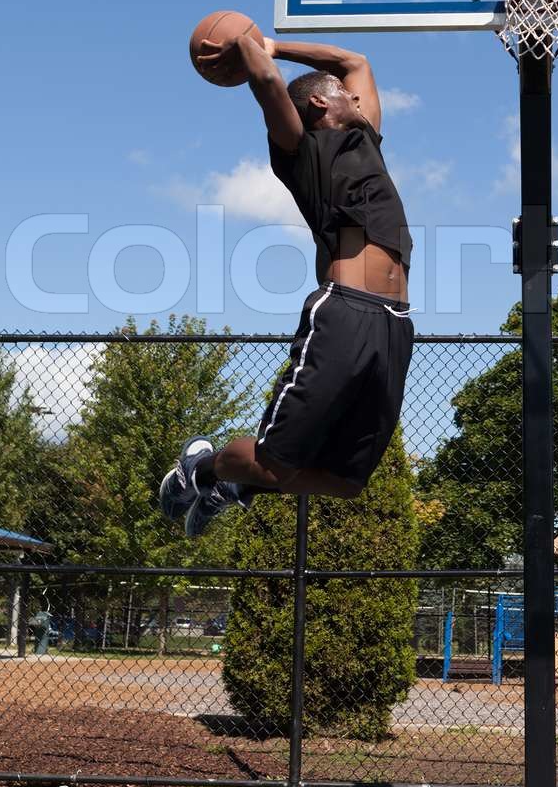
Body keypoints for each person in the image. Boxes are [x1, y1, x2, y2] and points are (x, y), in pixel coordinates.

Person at [159, 31, 414, 536]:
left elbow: (354, 61)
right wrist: (249, 45)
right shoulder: (304, 151)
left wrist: (276, 44)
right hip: (345, 311)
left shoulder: (366, 138)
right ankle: (201, 470)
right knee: (273, 462)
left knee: (348, 482)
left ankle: (235, 487)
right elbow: (266, 83)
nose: (355, 96)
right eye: (343, 94)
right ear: (321, 102)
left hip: (394, 323)